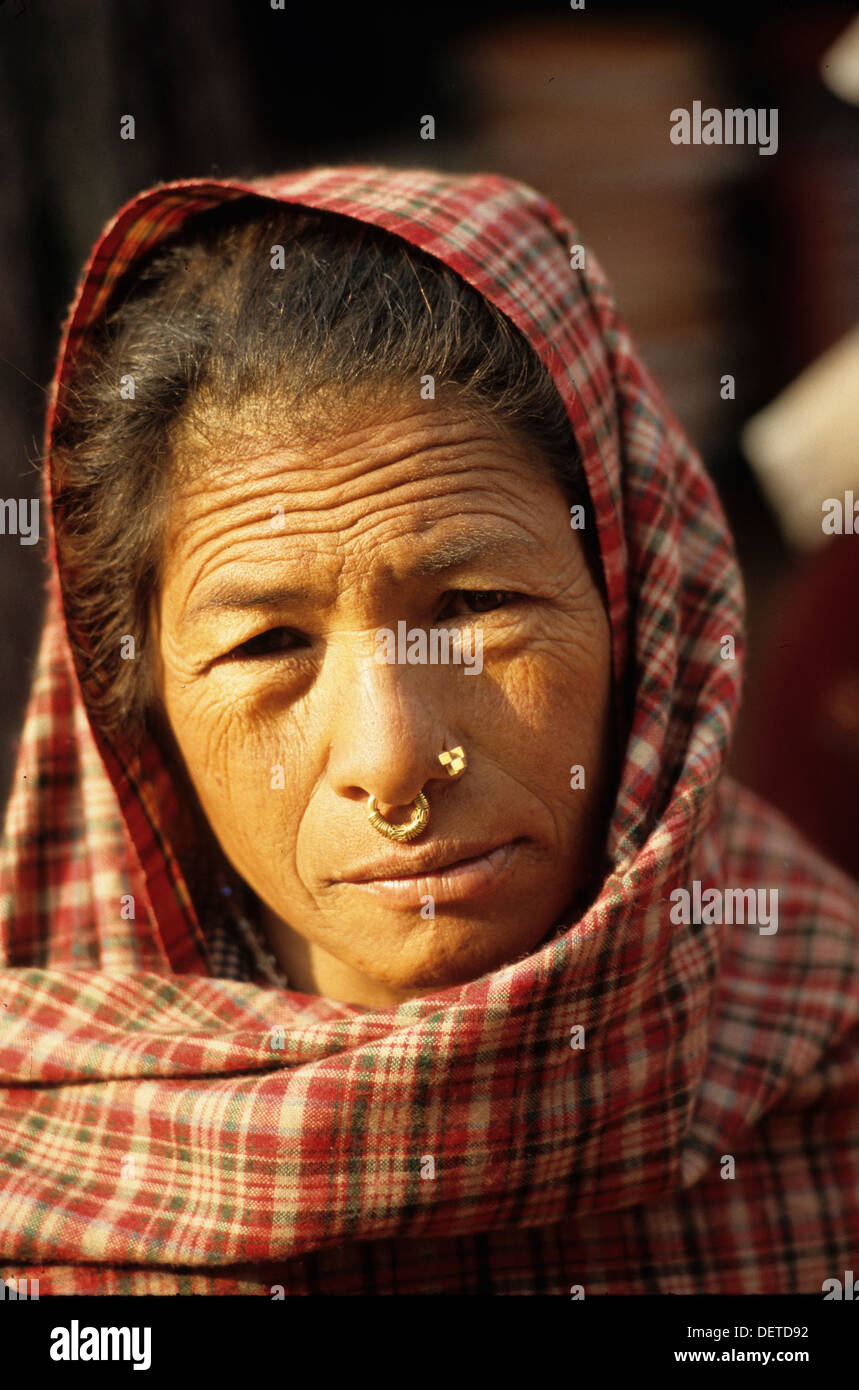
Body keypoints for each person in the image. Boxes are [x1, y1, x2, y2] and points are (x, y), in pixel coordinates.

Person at [0, 166, 856, 1295]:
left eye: (473, 609)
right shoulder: (51, 1179)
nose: (393, 761)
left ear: (644, 613)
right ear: (138, 699)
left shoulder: (825, 1079)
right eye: (268, 646)